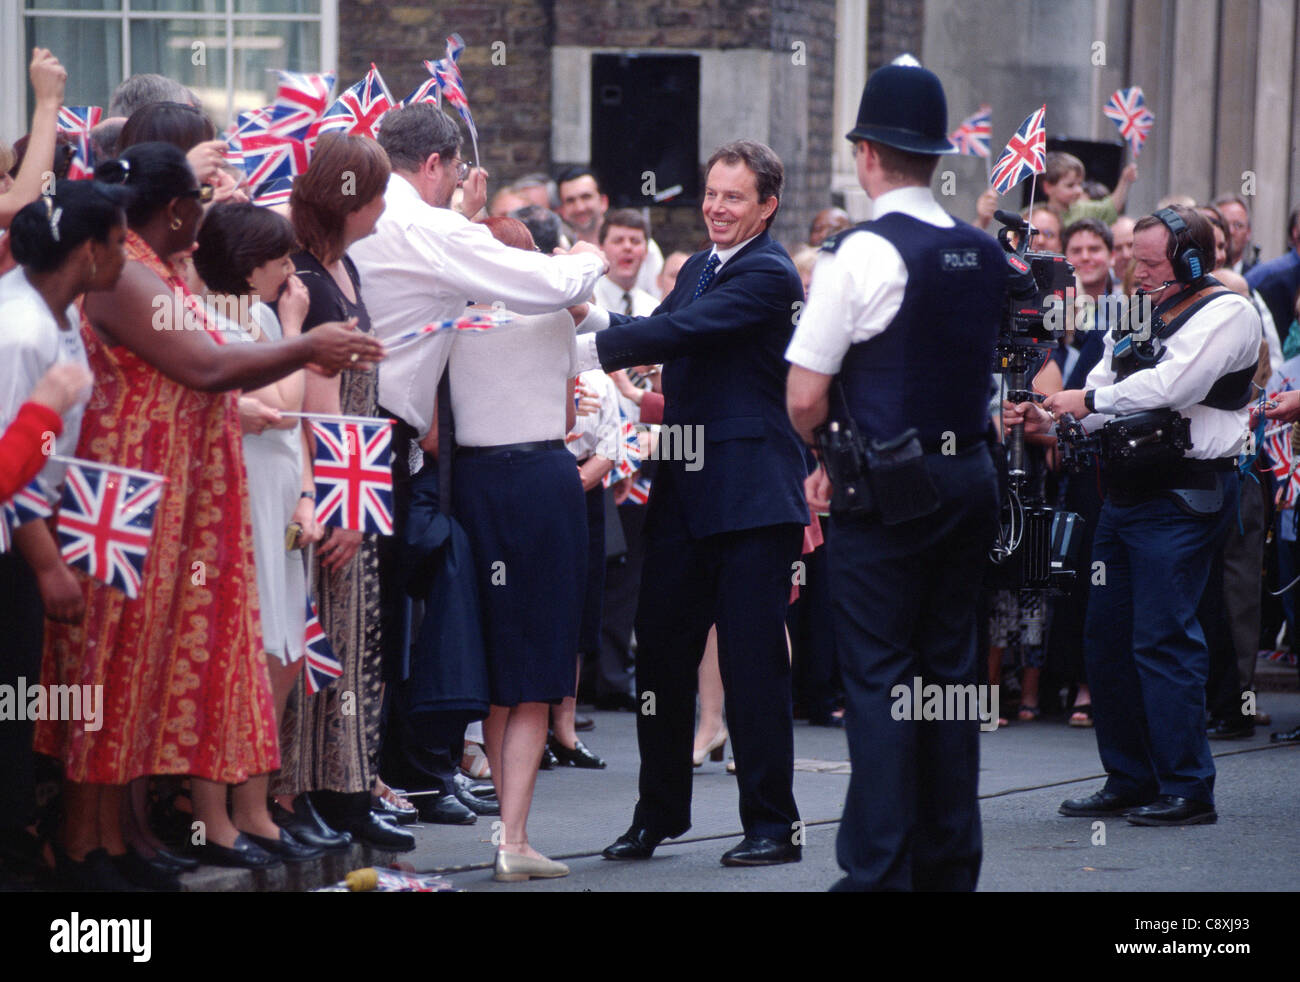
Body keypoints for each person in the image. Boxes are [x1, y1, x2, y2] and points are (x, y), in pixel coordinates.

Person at [34, 143, 382, 888]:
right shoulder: (122, 270)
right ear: (173, 207)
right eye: (195, 200)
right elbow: (205, 367)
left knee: (140, 673)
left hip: (171, 496)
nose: (202, 214)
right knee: (108, 670)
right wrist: (306, 344)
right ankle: (82, 842)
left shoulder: (156, 267)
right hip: (127, 490)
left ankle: (118, 839)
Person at [348, 103, 606, 827]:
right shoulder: (427, 227)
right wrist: (583, 263)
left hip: (381, 434)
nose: (462, 184)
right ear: (433, 165)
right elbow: (548, 289)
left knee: (378, 615)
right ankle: (360, 784)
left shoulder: (398, 217)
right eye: (457, 170)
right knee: (368, 618)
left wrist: (466, 214)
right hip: (376, 433)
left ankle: (378, 776)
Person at [785, 62, 1005, 891]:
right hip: (969, 477)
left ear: (869, 153)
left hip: (885, 487)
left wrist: (821, 454)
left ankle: (879, 870)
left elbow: (804, 393)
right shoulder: (982, 252)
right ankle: (948, 864)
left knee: (879, 678)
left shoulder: (858, 252)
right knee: (950, 677)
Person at [578, 139, 808, 869]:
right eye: (711, 193)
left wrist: (581, 351)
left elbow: (676, 331)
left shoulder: (768, 274)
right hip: (684, 491)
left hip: (751, 497)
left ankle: (773, 825)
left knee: (752, 665)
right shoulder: (706, 266)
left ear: (766, 206)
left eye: (733, 197)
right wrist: (574, 314)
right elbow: (655, 330)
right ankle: (658, 814)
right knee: (663, 658)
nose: (715, 207)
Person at [1011, 206, 1260, 827]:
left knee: (1164, 638)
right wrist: (1057, 414)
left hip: (1183, 494)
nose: (1137, 273)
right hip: (1124, 492)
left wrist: (1086, 400)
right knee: (1108, 638)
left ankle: (1187, 787)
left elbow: (1173, 386)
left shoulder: (1229, 313)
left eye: (1150, 263)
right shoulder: (1133, 311)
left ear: (1192, 261)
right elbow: (1100, 381)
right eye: (1135, 261)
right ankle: (1128, 776)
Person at [447, 215, 588, 880]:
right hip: (542, 483)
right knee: (536, 674)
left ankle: (507, 831)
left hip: (475, 486)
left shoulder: (454, 322)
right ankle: (515, 836)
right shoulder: (555, 321)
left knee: (499, 670)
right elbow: (565, 417)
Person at [0, 180, 129, 888]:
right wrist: (47, 564)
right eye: (116, 245)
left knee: (19, 701)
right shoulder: (19, 328)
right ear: (86, 251)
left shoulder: (56, 316)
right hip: (14, 544)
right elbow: (5, 458)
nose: (123, 260)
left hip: (29, 534)